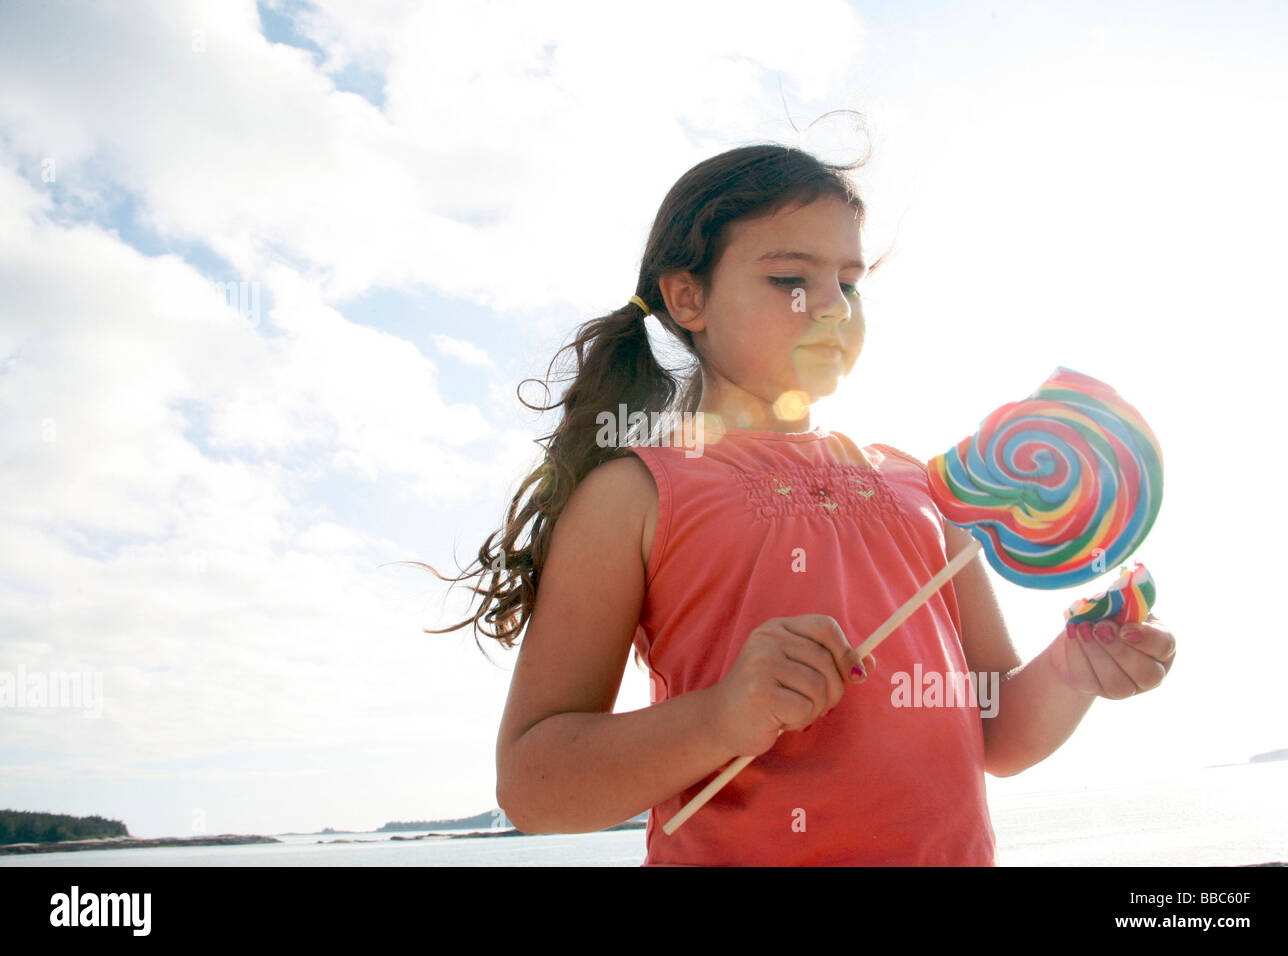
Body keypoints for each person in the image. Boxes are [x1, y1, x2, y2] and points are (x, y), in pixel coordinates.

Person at [426, 142, 1177, 866]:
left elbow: (999, 730)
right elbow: (533, 787)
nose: (831, 307)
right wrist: (722, 715)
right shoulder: (635, 494)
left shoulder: (919, 488)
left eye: (847, 283)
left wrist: (1074, 672)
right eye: (791, 278)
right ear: (689, 296)